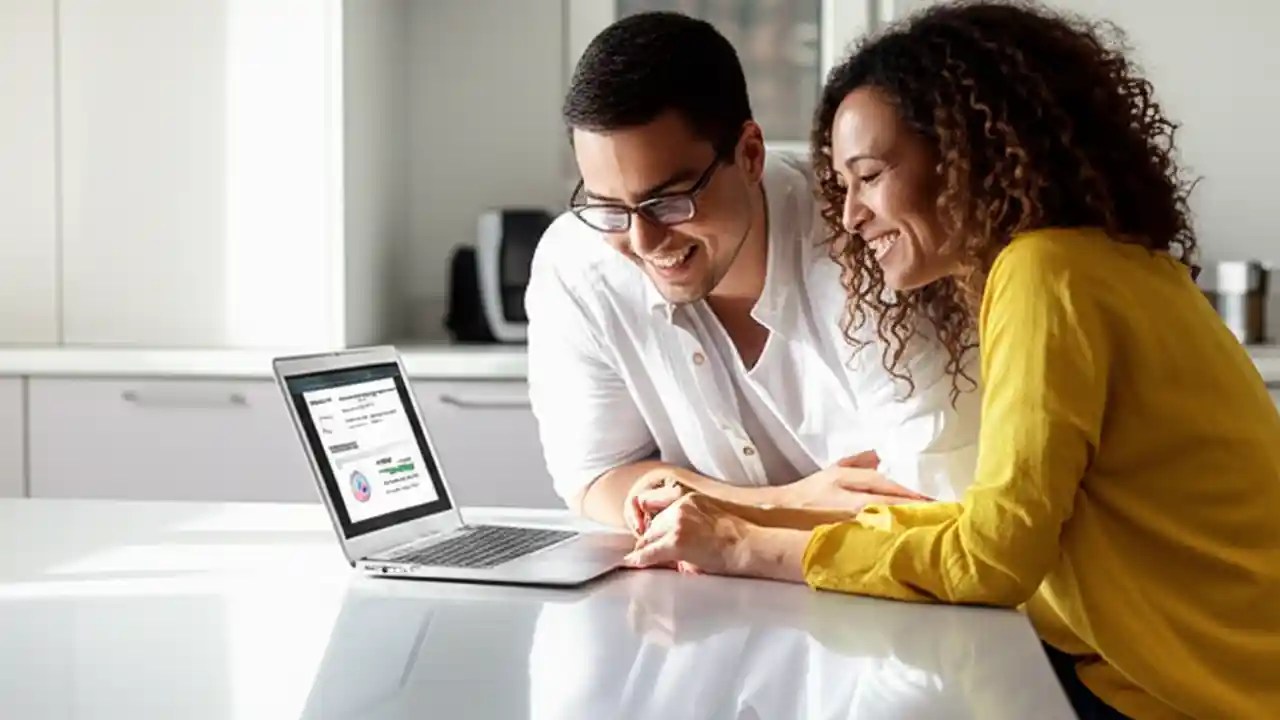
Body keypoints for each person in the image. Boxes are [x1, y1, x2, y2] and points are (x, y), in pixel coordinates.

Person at [623, 3, 1280, 718]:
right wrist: (747, 530)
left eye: (869, 175)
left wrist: (745, 547)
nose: (849, 216)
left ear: (967, 152)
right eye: (841, 186)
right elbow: (987, 523)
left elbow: (990, 562)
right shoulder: (1099, 263)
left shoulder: (1047, 275)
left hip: (1198, 698)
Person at [525, 11, 980, 532]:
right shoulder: (580, 264)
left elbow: (928, 507)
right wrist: (785, 503)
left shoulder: (867, 240)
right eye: (609, 207)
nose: (643, 241)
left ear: (749, 154)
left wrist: (710, 518)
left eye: (669, 201)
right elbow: (597, 478)